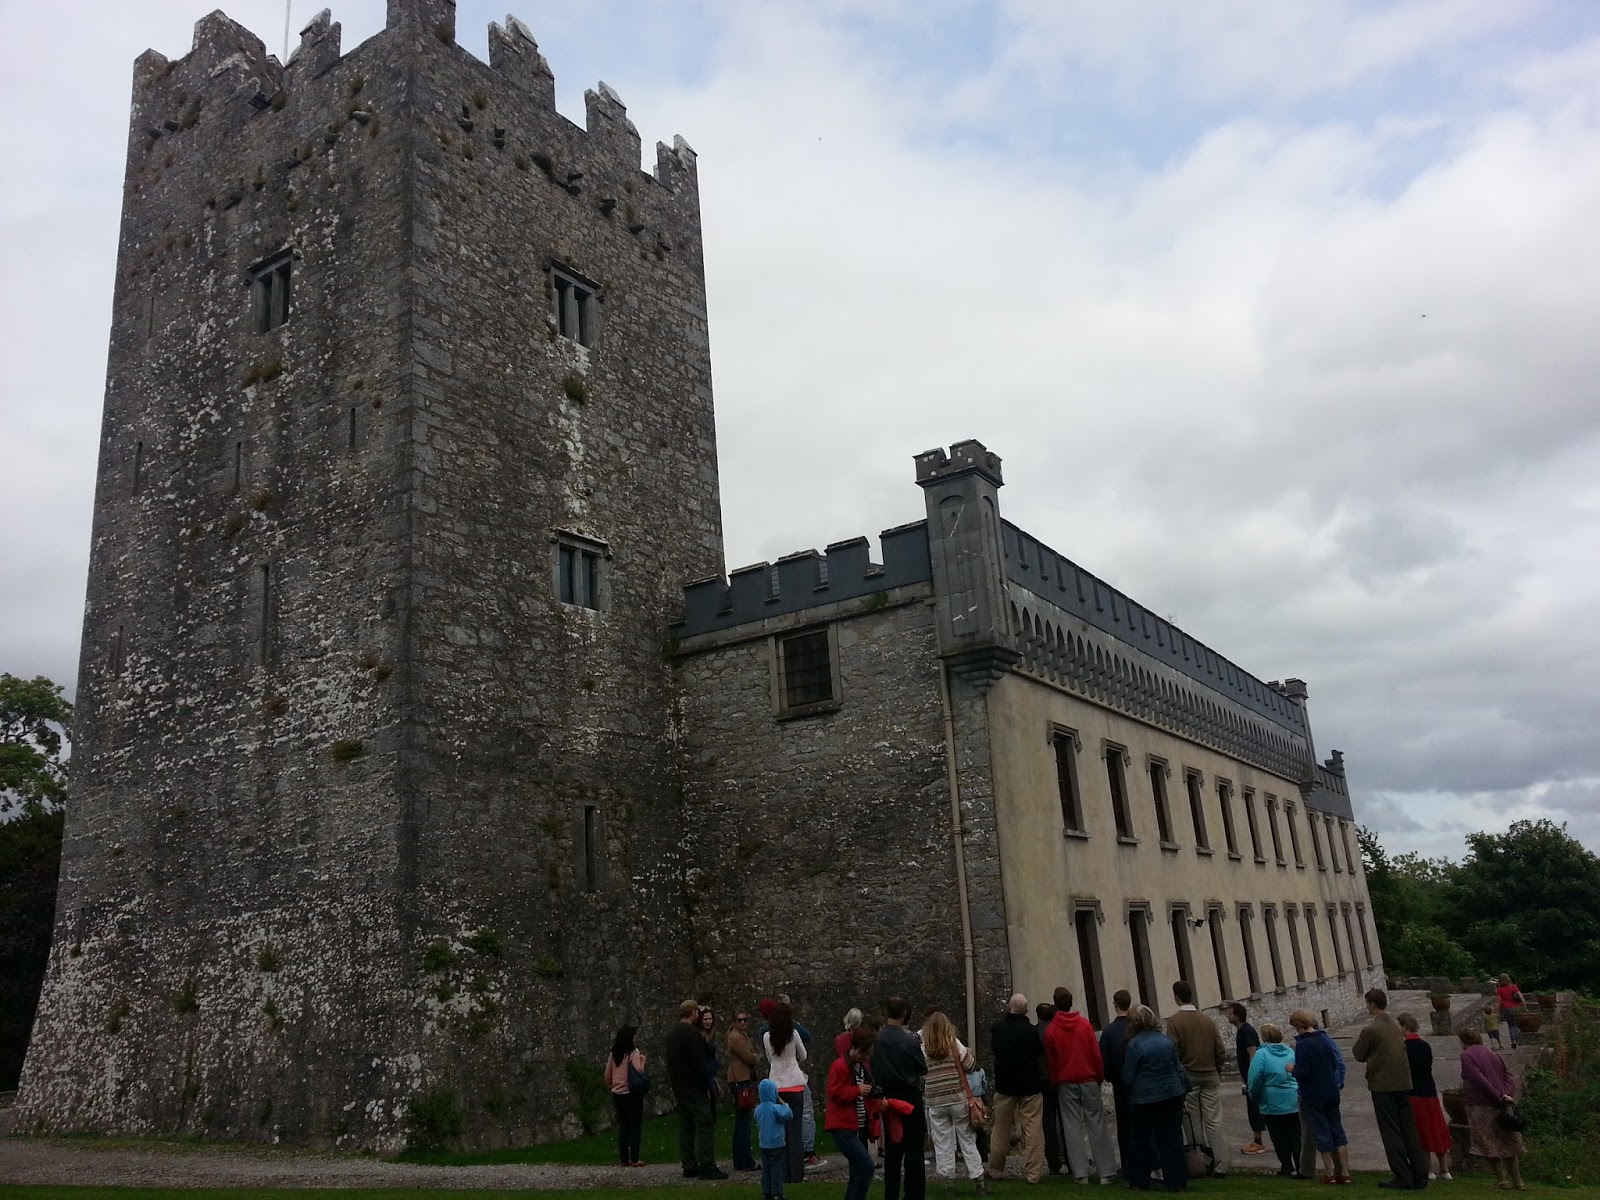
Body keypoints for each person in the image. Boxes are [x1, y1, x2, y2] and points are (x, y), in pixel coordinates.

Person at [1353, 987, 1428, 1191]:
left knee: (1391, 1131)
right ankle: (1420, 1175)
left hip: (1383, 1084)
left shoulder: (1371, 1030)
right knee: (1408, 1129)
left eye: (1367, 1004)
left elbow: (1358, 1054)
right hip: (1404, 1082)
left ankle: (1403, 1176)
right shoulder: (1396, 1027)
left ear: (1372, 1005)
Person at [1043, 986, 1118, 1185]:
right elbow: (1095, 1054)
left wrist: (1055, 1080)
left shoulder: (1052, 1030)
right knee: (1097, 1123)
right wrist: (1099, 1075)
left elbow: (1052, 1061)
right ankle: (1105, 1172)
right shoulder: (1084, 1025)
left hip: (1066, 1080)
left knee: (1071, 1125)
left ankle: (1080, 1173)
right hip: (1088, 1078)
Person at [1121, 1004, 1189, 1193]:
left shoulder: (1135, 1045)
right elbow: (1178, 1067)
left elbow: (1128, 1076)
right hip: (1172, 1093)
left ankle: (1138, 1181)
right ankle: (1177, 1182)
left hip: (1145, 1098)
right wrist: (1184, 1088)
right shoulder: (1165, 1041)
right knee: (1172, 1139)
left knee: (1140, 1139)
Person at [1164, 981, 1226, 1177]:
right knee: (1213, 1121)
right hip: (1210, 1075)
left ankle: (1200, 1162)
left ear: (1176, 997)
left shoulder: (1174, 1022)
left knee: (1193, 1122)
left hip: (1189, 1076)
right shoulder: (1207, 1020)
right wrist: (1216, 1068)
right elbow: (1220, 1049)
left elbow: (1173, 1052)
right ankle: (1220, 1165)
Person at [922, 1010, 988, 1192]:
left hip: (934, 1100)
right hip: (957, 1097)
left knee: (943, 1142)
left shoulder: (923, 1048)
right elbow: (970, 1064)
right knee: (967, 1138)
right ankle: (978, 1179)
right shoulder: (954, 1044)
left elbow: (920, 1070)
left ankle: (948, 1182)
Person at [872, 996, 929, 1200]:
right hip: (909, 1096)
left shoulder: (878, 1040)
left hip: (888, 1097)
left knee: (893, 1150)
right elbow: (923, 1068)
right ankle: (914, 1194)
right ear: (905, 1014)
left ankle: (891, 1194)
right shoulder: (909, 1040)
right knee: (914, 1150)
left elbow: (874, 1070)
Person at [987, 992, 1045, 1183]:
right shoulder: (1030, 1031)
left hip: (1006, 1084)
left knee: (1001, 1127)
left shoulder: (998, 1028)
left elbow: (995, 1049)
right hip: (1029, 1084)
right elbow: (1038, 1052)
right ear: (1026, 1010)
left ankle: (995, 1168)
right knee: (1033, 1128)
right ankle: (1033, 1173)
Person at [668, 998, 729, 1178]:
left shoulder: (672, 1034)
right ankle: (707, 1165)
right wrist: (706, 1086)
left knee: (686, 1125)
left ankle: (689, 1164)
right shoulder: (692, 1034)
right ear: (693, 1013)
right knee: (705, 1123)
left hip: (679, 1086)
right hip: (694, 1087)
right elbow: (699, 1063)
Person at [1459, 1026, 1525, 1190]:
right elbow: (1508, 1076)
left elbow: (1478, 1079)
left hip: (1481, 1104)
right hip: (1503, 1103)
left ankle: (1502, 1180)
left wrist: (1496, 1096)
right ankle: (1518, 1181)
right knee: (1508, 1141)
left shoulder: (1467, 1055)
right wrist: (1505, 1094)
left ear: (1464, 1041)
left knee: (1488, 1142)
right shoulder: (1493, 1054)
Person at [1290, 1009, 1349, 1185]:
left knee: (1321, 1131)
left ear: (1299, 1025)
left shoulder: (1302, 1045)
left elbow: (1304, 1072)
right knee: (1337, 1130)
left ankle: (1330, 1173)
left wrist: (1292, 1070)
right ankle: (1345, 1172)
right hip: (1331, 1090)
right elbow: (1334, 1062)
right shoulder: (1324, 1039)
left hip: (1313, 1093)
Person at [827, 1026, 884, 1200]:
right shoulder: (840, 1066)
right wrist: (857, 1090)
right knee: (866, 1167)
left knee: (857, 1172)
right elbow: (834, 1093)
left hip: (858, 1127)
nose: (868, 1056)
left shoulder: (860, 1067)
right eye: (866, 1052)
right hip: (843, 1127)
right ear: (857, 1048)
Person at [1397, 1013, 1451, 1181]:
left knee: (1421, 1131)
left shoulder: (1404, 1048)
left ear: (1405, 1027)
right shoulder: (1425, 1046)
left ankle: (1428, 1169)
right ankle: (1444, 1168)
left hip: (1414, 1093)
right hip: (1430, 1091)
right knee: (1436, 1128)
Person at [1246, 1023, 1303, 1178]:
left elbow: (1255, 1078)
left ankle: (1286, 1165)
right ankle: (1300, 1165)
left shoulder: (1261, 1054)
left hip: (1272, 1100)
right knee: (1295, 1134)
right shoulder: (1290, 1051)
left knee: (1278, 1135)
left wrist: (1254, 1095)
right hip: (1292, 1098)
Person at [764, 1001, 810, 1184]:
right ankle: (797, 1174)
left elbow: (770, 1059)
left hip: (777, 1086)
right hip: (795, 1083)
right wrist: (794, 1058)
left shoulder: (768, 1036)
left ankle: (782, 1173)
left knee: (780, 1131)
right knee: (795, 1130)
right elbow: (804, 1055)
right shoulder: (794, 1034)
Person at [775, 992, 821, 1164]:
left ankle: (783, 1154)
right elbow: (803, 1055)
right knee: (805, 1113)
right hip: (794, 1079)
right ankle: (807, 1152)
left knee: (780, 1117)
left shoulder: (766, 1033)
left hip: (776, 1080)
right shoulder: (793, 1031)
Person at [1225, 1001, 1268, 1155]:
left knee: (1255, 1108)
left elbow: (1252, 1052)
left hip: (1253, 1077)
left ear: (1237, 1015)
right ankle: (1258, 1140)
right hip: (1248, 1076)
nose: (1227, 1016)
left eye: (1230, 1013)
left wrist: (1252, 1075)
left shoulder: (1246, 1031)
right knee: (1254, 1108)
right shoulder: (1241, 1030)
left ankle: (1258, 1142)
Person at [603, 1023, 647, 1167]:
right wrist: (643, 1060)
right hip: (632, 1093)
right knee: (634, 1125)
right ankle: (634, 1158)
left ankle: (624, 1158)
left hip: (618, 1093)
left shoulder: (614, 1054)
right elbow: (639, 1070)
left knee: (623, 1126)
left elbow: (607, 1075)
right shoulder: (633, 1053)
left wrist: (613, 1085)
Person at [1100, 990, 1134, 1174]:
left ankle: (1128, 1163)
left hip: (1120, 1082)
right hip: (1138, 1081)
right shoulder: (1136, 1027)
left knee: (1124, 1124)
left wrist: (1110, 1077)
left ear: (1115, 1004)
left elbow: (1105, 1060)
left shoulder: (1109, 1031)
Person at [728, 1009, 761, 1172]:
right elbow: (749, 1057)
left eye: (744, 1020)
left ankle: (741, 1159)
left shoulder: (740, 1036)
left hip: (742, 1079)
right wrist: (755, 1057)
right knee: (744, 1121)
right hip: (740, 1080)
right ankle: (745, 1160)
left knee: (742, 1121)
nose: (742, 1023)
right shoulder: (736, 1038)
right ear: (734, 1021)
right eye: (739, 1020)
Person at [1035, 1002, 1064, 1175]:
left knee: (1048, 1122)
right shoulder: (1057, 1031)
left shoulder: (1035, 1032)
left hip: (1043, 1080)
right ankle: (1069, 1158)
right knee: (1067, 1119)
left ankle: (1053, 1161)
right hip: (1058, 1078)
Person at [757, 1077, 795, 1200]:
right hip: (777, 1144)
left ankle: (766, 1192)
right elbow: (788, 1114)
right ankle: (777, 1193)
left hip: (764, 1143)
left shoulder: (759, 1109)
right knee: (776, 1169)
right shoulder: (775, 1108)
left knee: (766, 1169)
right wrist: (783, 1102)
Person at [1495, 974, 1524, 1050]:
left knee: (1510, 1025)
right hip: (1516, 1008)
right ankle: (1519, 1039)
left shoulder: (1500, 989)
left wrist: (1497, 1012)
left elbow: (1498, 1002)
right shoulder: (1514, 987)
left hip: (1506, 1009)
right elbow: (1521, 997)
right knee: (1517, 1024)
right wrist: (1524, 1006)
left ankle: (1513, 1040)